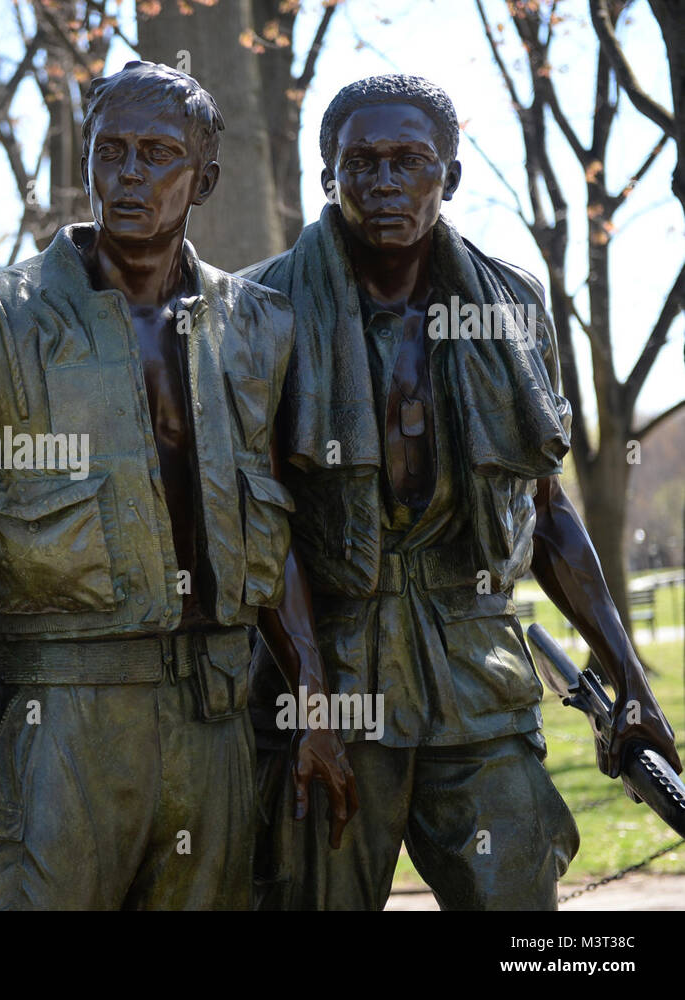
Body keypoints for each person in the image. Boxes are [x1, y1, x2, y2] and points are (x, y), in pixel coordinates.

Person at [0, 61, 356, 910]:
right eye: (110, 151)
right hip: (52, 721)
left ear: (203, 180)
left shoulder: (260, 329)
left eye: (158, 154)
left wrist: (315, 697)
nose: (130, 175)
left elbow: (268, 536)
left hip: (209, 721)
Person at [241, 74, 681, 910]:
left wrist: (630, 676)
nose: (384, 184)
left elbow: (547, 513)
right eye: (360, 162)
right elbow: (263, 528)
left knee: (519, 898)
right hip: (329, 671)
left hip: (475, 675)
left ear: (451, 173)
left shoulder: (512, 307)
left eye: (411, 161)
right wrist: (308, 700)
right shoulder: (261, 310)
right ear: (327, 174)